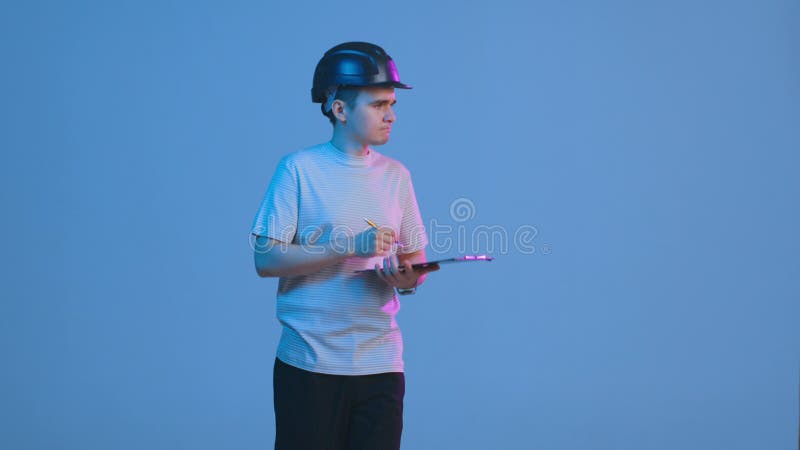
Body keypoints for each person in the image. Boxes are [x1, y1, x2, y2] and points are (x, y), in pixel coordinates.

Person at [249, 41, 439, 450]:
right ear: (339, 109)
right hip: (309, 365)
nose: (391, 115)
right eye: (378, 104)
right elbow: (265, 259)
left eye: (392, 103)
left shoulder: (397, 176)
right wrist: (350, 246)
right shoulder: (298, 170)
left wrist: (406, 278)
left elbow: (414, 265)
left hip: (381, 365)